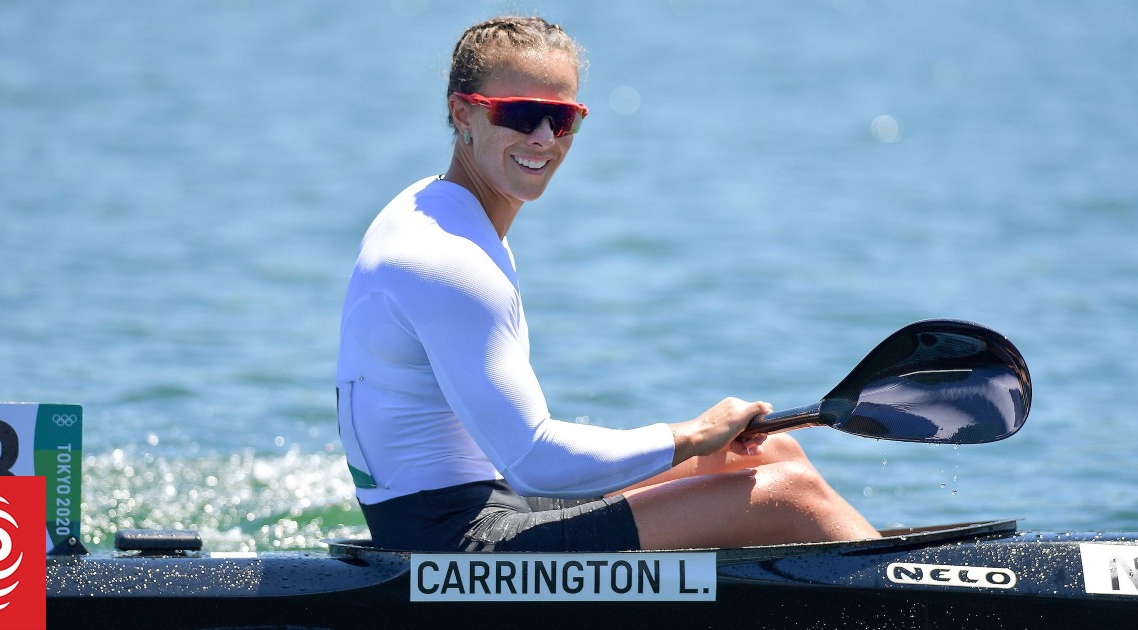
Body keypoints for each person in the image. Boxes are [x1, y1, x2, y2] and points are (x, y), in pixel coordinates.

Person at [335, 15, 880, 552]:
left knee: (772, 456)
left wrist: (705, 440)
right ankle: (918, 596)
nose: (545, 138)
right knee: (791, 495)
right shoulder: (450, 259)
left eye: (563, 118)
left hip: (495, 499)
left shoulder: (436, 208)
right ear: (463, 113)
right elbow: (534, 460)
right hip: (453, 542)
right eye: (522, 114)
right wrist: (690, 434)